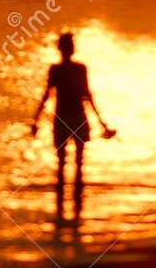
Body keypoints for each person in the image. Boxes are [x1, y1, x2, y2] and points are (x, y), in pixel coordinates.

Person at [31, 31, 113, 212]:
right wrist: (101, 123)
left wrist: (35, 120)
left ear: (60, 49)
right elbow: (87, 95)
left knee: (62, 166)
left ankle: (61, 210)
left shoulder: (58, 70)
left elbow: (47, 96)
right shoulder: (77, 69)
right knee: (78, 166)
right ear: (70, 48)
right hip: (76, 119)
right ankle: (77, 210)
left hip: (64, 119)